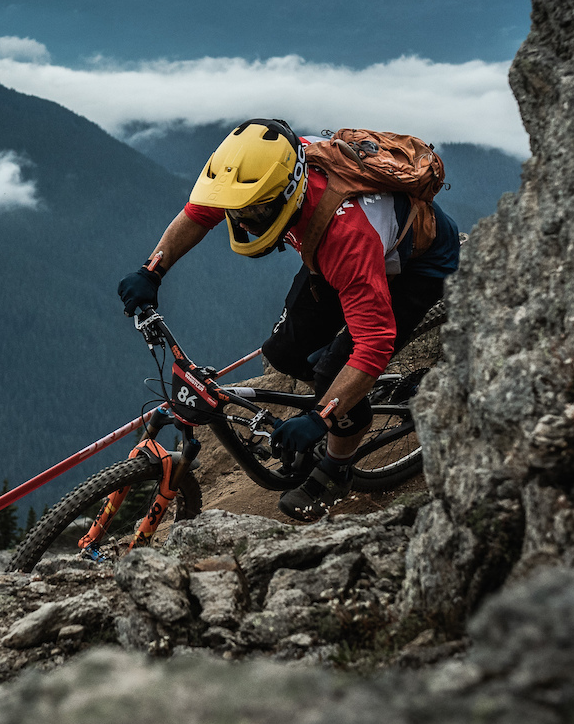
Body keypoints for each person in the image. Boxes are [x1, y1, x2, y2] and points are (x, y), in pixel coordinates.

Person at [117, 118, 460, 521]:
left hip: (416, 267)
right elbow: (199, 213)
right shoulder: (261, 175)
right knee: (284, 353)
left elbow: (374, 343)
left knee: (336, 371)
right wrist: (152, 270)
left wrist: (320, 417)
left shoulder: (346, 235)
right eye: (238, 210)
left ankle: (338, 467)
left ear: (290, 192)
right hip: (331, 257)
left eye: (254, 212)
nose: (243, 220)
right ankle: (345, 394)